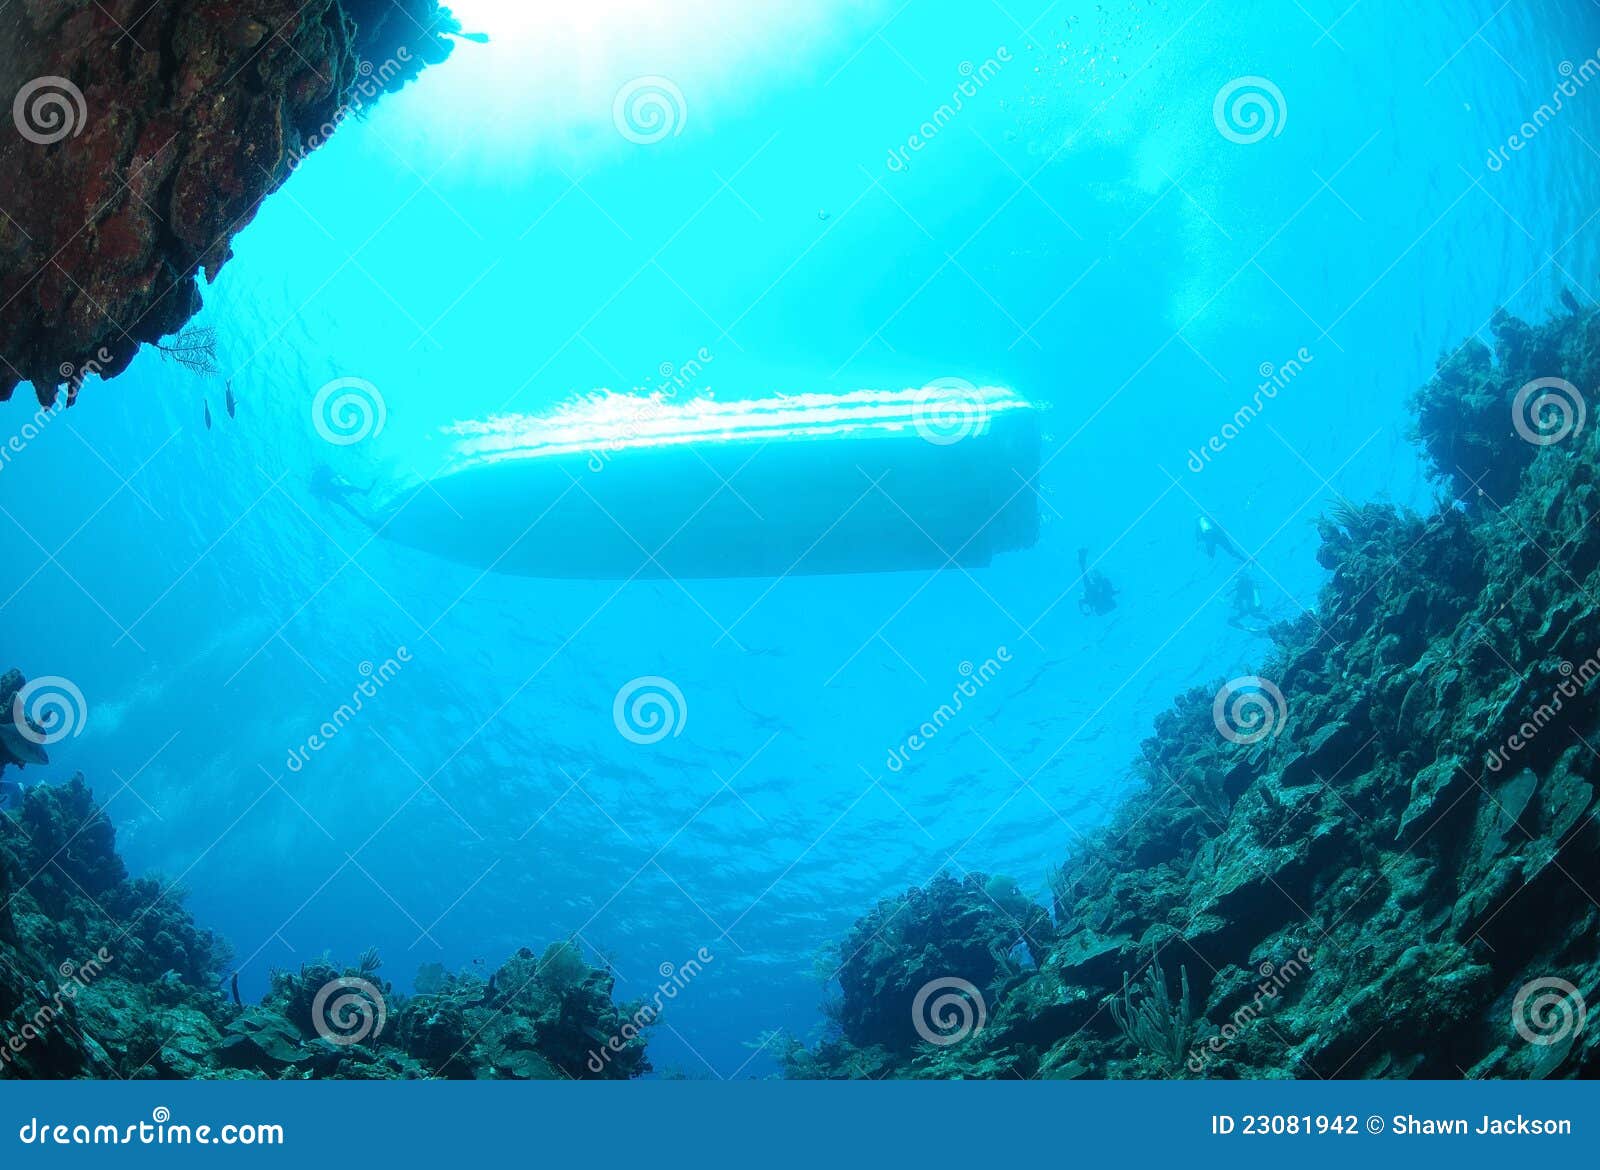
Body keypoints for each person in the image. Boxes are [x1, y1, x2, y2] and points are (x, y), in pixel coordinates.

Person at [1077, 547, 1118, 616]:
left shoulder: (1103, 582)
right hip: (1104, 607)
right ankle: (1082, 559)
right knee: (1087, 582)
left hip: (1105, 606)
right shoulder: (1100, 583)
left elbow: (1110, 592)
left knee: (1087, 581)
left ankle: (1082, 559)